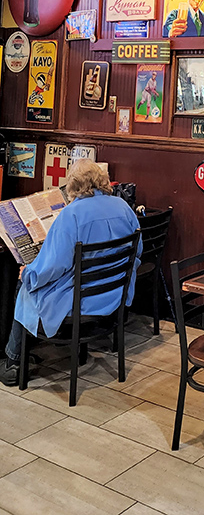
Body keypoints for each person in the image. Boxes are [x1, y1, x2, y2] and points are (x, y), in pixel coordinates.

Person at [0, 160, 141, 387]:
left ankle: (13, 362)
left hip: (80, 299)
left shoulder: (71, 215)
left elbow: (52, 267)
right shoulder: (123, 207)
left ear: (72, 185)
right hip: (115, 293)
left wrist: (28, 274)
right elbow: (138, 250)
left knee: (26, 283)